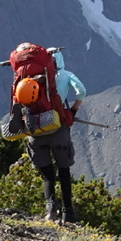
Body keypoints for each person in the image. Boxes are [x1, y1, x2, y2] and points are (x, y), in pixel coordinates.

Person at [29, 51, 86, 224]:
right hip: (57, 127)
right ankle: (68, 214)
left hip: (36, 129)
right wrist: (73, 110)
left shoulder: (33, 76)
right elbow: (81, 91)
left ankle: (50, 211)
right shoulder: (66, 75)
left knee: (47, 175)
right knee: (64, 171)